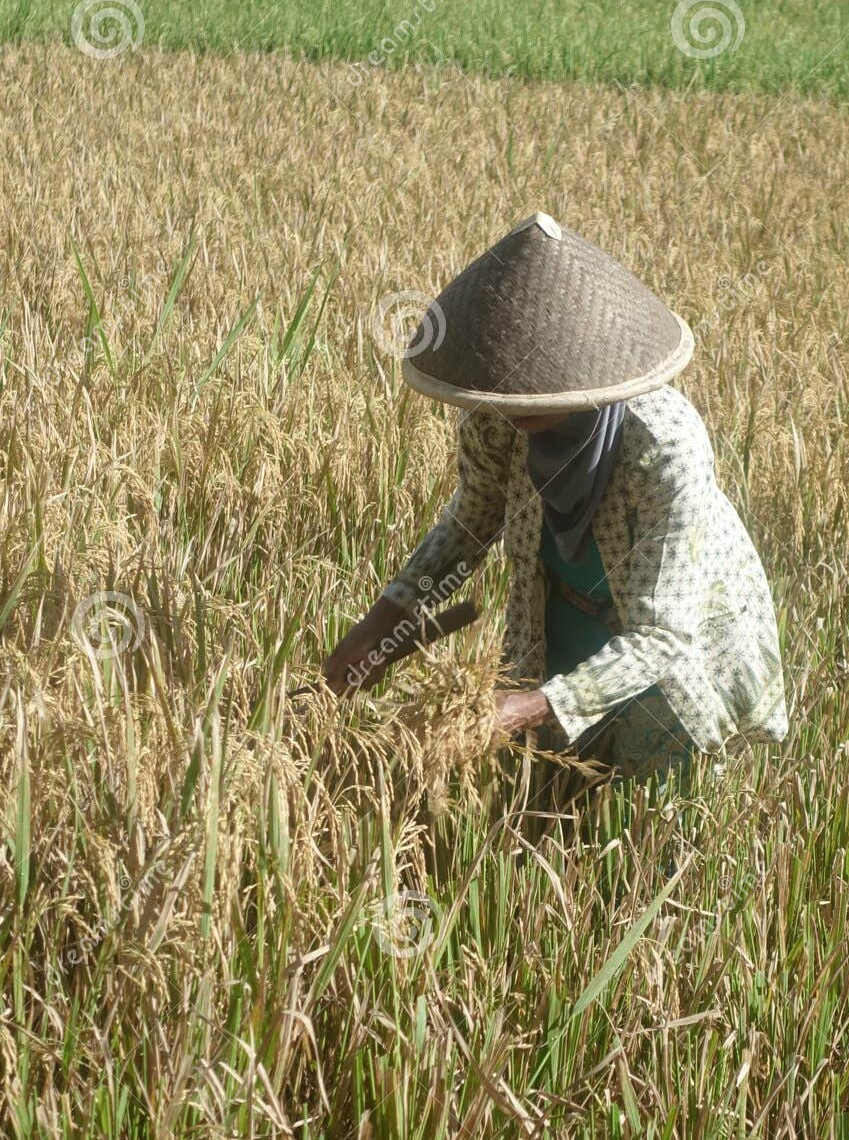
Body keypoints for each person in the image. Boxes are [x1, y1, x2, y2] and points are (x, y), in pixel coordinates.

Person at [323, 212, 787, 781]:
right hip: (562, 614)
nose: (513, 414)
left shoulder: (663, 447)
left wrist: (525, 707)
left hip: (665, 654)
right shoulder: (496, 419)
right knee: (549, 788)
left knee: (643, 819)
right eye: (505, 394)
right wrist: (382, 624)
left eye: (533, 399)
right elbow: (471, 527)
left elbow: (662, 635)